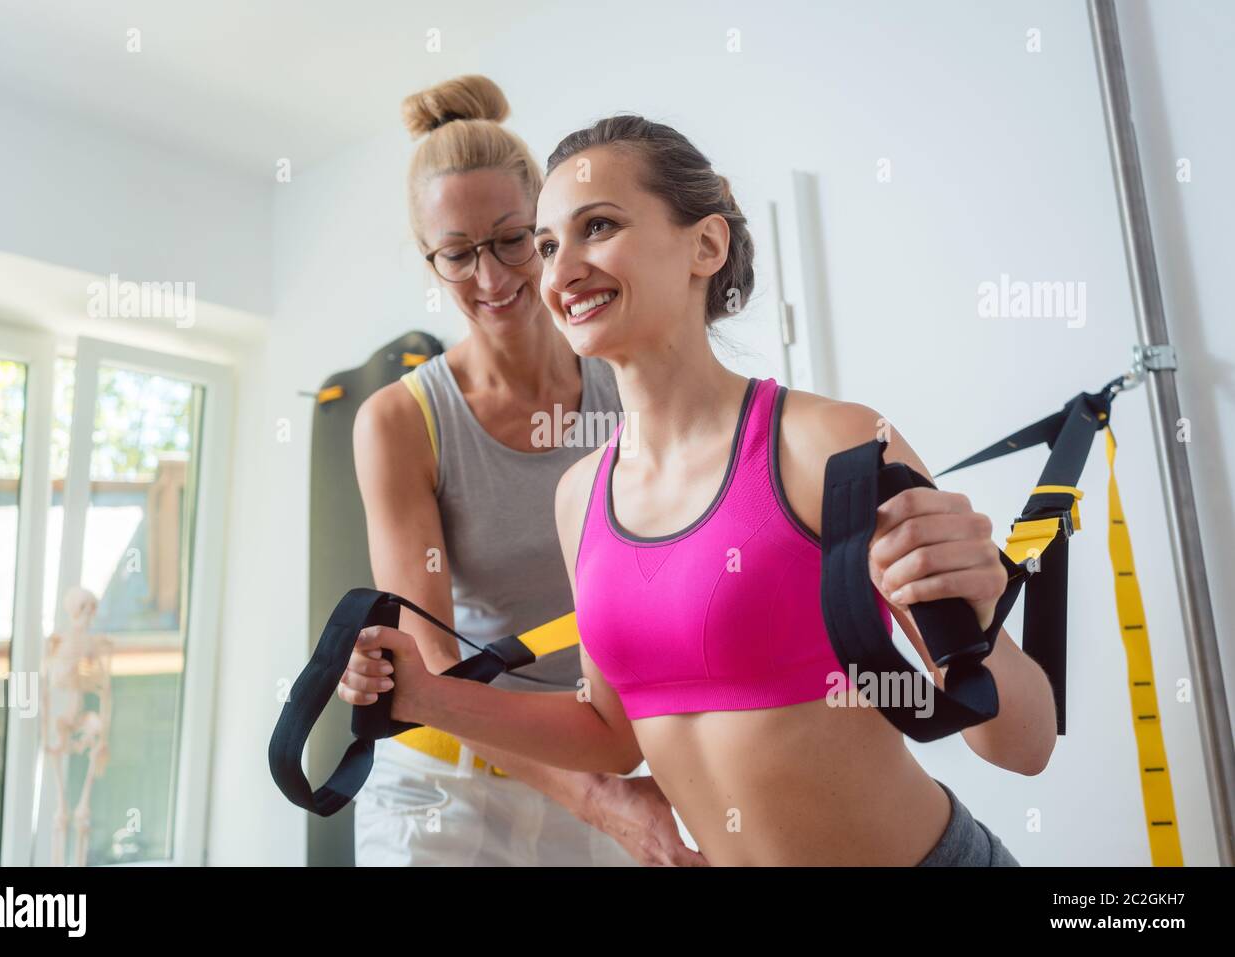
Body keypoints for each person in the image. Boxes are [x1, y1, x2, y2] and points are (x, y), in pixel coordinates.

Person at [342, 113, 1053, 866]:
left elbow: (1022, 742)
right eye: (549, 246)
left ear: (705, 244)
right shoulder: (581, 495)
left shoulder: (830, 443)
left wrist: (975, 614)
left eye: (599, 226)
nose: (558, 272)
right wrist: (422, 694)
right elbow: (612, 738)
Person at [347, 77, 704, 866]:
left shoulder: (624, 374)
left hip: (596, 753)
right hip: (447, 784)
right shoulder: (401, 423)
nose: (492, 276)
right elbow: (437, 661)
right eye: (456, 253)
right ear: (429, 258)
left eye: (513, 238)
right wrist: (605, 797)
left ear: (545, 226)